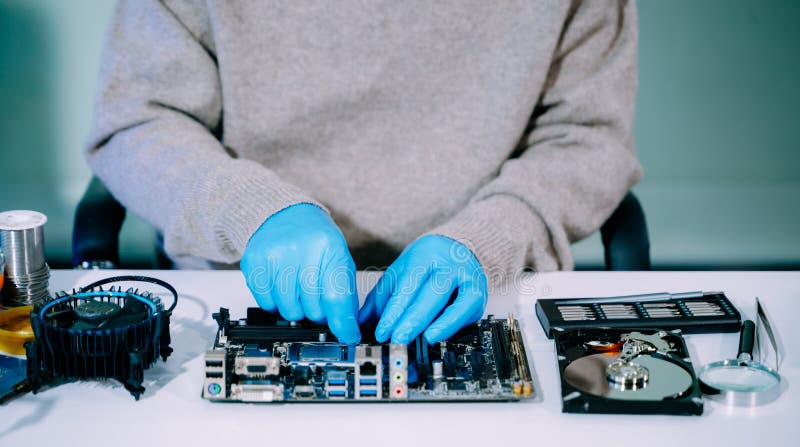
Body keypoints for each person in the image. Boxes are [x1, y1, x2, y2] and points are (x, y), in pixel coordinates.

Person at [86, 0, 641, 345]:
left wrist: (495, 237)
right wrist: (250, 210)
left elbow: (588, 136)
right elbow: (137, 120)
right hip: (236, 286)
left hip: (484, 296)